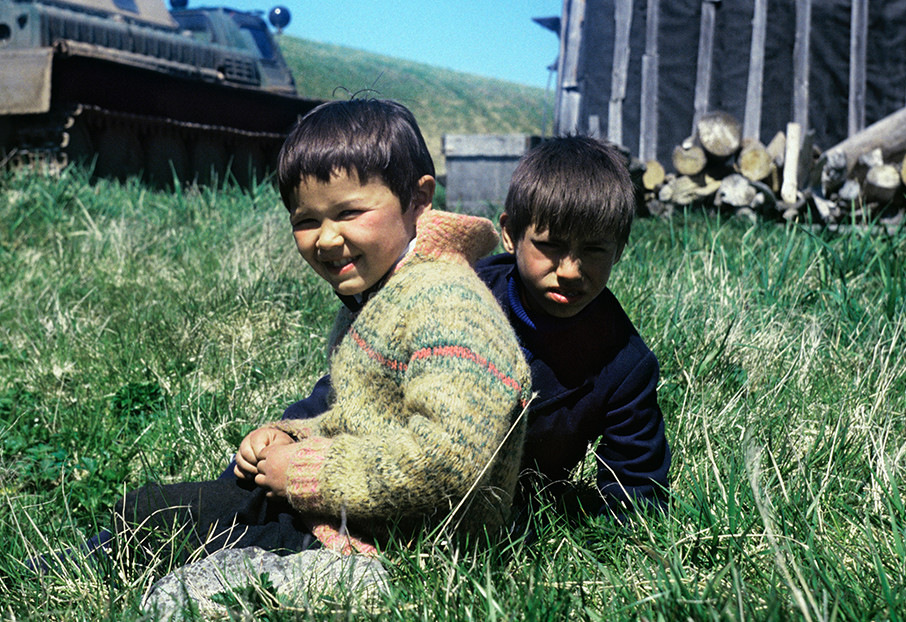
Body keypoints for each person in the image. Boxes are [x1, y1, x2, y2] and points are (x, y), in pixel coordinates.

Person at [111, 98, 531, 562]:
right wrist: (292, 438)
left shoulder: (447, 305)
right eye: (306, 221)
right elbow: (366, 421)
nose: (327, 239)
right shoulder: (384, 289)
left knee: (155, 528)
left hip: (400, 542)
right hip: (355, 512)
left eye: (349, 213)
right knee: (147, 511)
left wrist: (304, 471)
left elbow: (449, 463)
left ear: (418, 199)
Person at [248, 135, 669, 526]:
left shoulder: (624, 364)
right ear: (510, 234)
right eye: (550, 245)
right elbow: (360, 373)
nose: (571, 270)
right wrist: (290, 430)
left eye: (594, 250)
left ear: (619, 249)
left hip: (487, 520)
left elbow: (636, 491)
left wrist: (605, 529)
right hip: (388, 472)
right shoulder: (454, 292)